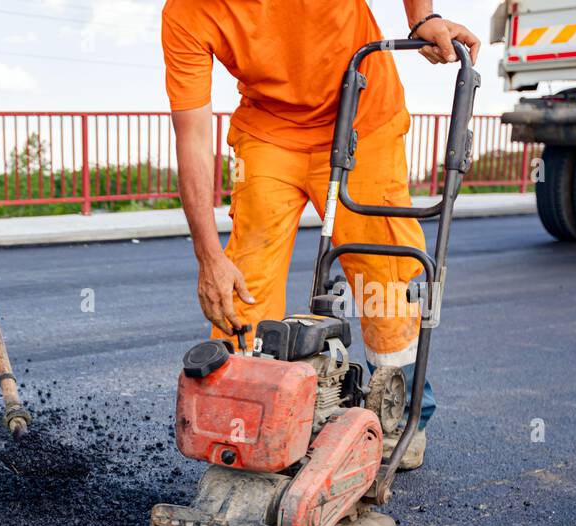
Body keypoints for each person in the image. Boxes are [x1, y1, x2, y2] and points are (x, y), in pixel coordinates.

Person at [163, 1, 480, 470]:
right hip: (270, 132)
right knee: (245, 274)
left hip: (362, 115)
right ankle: (247, 418)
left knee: (383, 273)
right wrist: (209, 259)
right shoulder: (186, 13)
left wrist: (422, 19)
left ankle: (401, 413)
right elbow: (190, 135)